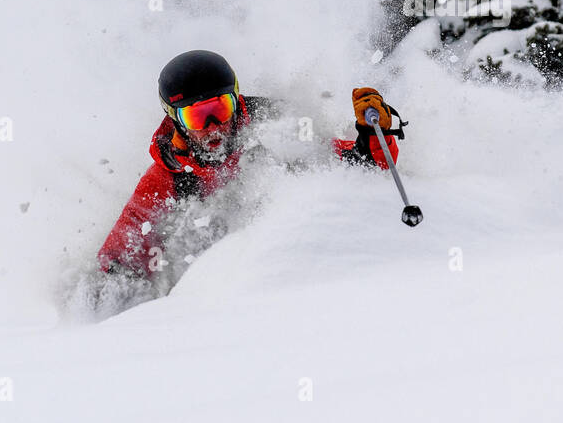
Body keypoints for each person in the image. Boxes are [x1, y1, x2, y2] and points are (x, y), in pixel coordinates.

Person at [97, 49, 405, 279]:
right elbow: (125, 247)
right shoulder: (170, 175)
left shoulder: (274, 124)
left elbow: (358, 165)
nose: (213, 125)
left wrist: (373, 134)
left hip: (301, 267)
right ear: (175, 120)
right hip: (217, 292)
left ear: (236, 98)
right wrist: (109, 286)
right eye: (197, 116)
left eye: (221, 108)